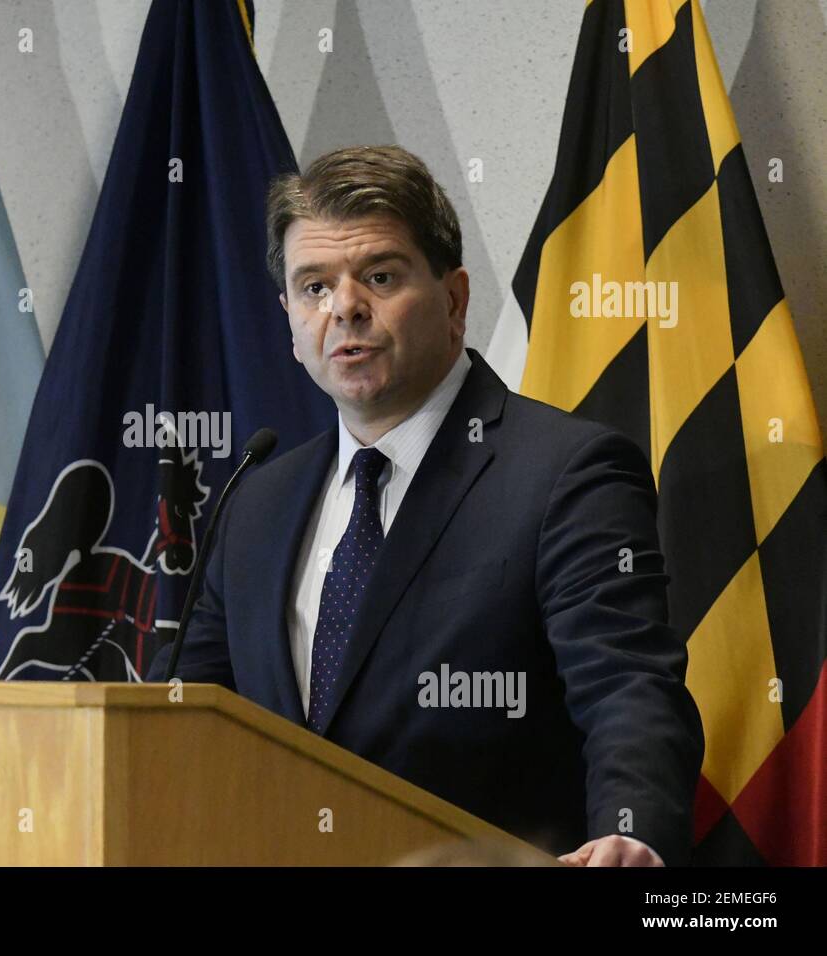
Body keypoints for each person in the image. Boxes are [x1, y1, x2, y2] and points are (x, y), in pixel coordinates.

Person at [148, 145, 704, 866]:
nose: (344, 306)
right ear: (289, 320)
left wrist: (629, 832)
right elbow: (185, 714)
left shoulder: (565, 473)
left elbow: (627, 685)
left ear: (454, 299)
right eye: (313, 287)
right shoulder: (256, 501)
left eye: (378, 276)